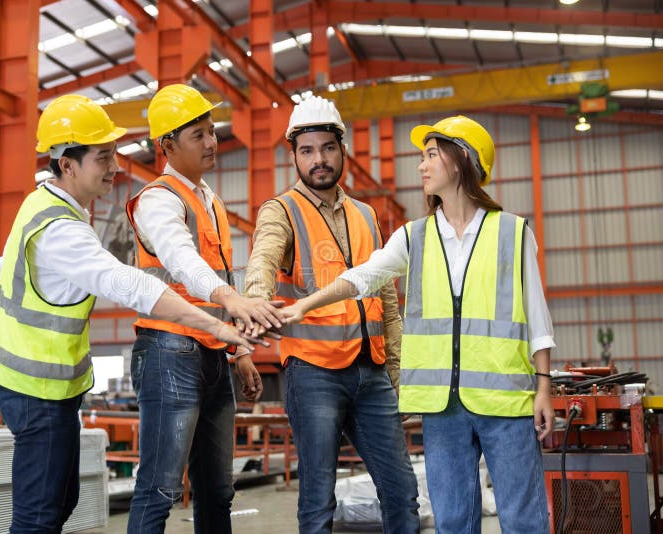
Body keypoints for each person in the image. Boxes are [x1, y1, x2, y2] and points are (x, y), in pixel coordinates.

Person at [0, 94, 258, 534]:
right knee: (40, 515)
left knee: (58, 502)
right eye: (103, 158)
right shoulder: (62, 230)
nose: (114, 167)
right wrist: (221, 322)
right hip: (37, 386)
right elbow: (132, 284)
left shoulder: (47, 208)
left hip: (48, 385)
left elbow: (4, 269)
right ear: (66, 164)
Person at [282, 115, 555, 533]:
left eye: (431, 155)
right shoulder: (415, 236)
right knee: (452, 521)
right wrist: (306, 305)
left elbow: (537, 316)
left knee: (523, 521)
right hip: (442, 407)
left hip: (507, 402)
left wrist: (544, 388)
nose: (421, 166)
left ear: (462, 158)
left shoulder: (512, 232)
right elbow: (363, 276)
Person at [242, 95, 420, 533]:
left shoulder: (365, 214)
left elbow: (388, 300)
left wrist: (397, 372)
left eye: (326, 148)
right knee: (318, 497)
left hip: (373, 372)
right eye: (307, 150)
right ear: (294, 156)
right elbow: (262, 260)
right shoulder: (281, 211)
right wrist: (253, 303)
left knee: (401, 490)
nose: (318, 159)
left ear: (342, 150)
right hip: (313, 372)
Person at [125, 83, 285, 533]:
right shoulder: (158, 199)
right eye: (199, 134)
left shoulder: (209, 200)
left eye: (212, 131)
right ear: (167, 144)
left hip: (215, 353)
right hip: (168, 351)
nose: (213, 142)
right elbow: (182, 260)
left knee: (217, 490)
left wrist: (241, 353)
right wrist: (232, 301)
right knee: (159, 488)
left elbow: (221, 274)